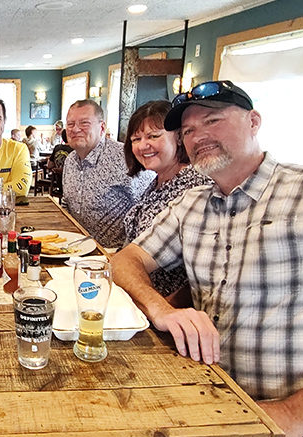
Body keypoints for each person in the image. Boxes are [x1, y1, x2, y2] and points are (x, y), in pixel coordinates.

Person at [105, 79, 303, 437]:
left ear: (254, 121)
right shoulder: (195, 204)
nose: (198, 133)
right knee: (107, 421)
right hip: (218, 402)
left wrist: (293, 415)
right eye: (188, 128)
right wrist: (161, 310)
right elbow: (125, 261)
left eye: (213, 119)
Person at [122, 100, 208, 299]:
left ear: (178, 138)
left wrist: (161, 312)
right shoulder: (156, 182)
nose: (144, 145)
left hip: (163, 308)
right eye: (136, 139)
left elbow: (196, 277)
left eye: (153, 136)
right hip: (133, 294)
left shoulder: (195, 187)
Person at [62, 99, 152, 248]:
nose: (75, 129)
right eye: (70, 124)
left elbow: (147, 209)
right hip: (75, 249)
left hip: (115, 253)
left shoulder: (125, 158)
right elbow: (67, 204)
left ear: (102, 127)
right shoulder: (70, 160)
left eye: (84, 123)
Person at [47, 129, 72, 197]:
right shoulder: (74, 149)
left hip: (59, 183)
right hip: (71, 186)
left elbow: (49, 165)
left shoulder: (57, 148)